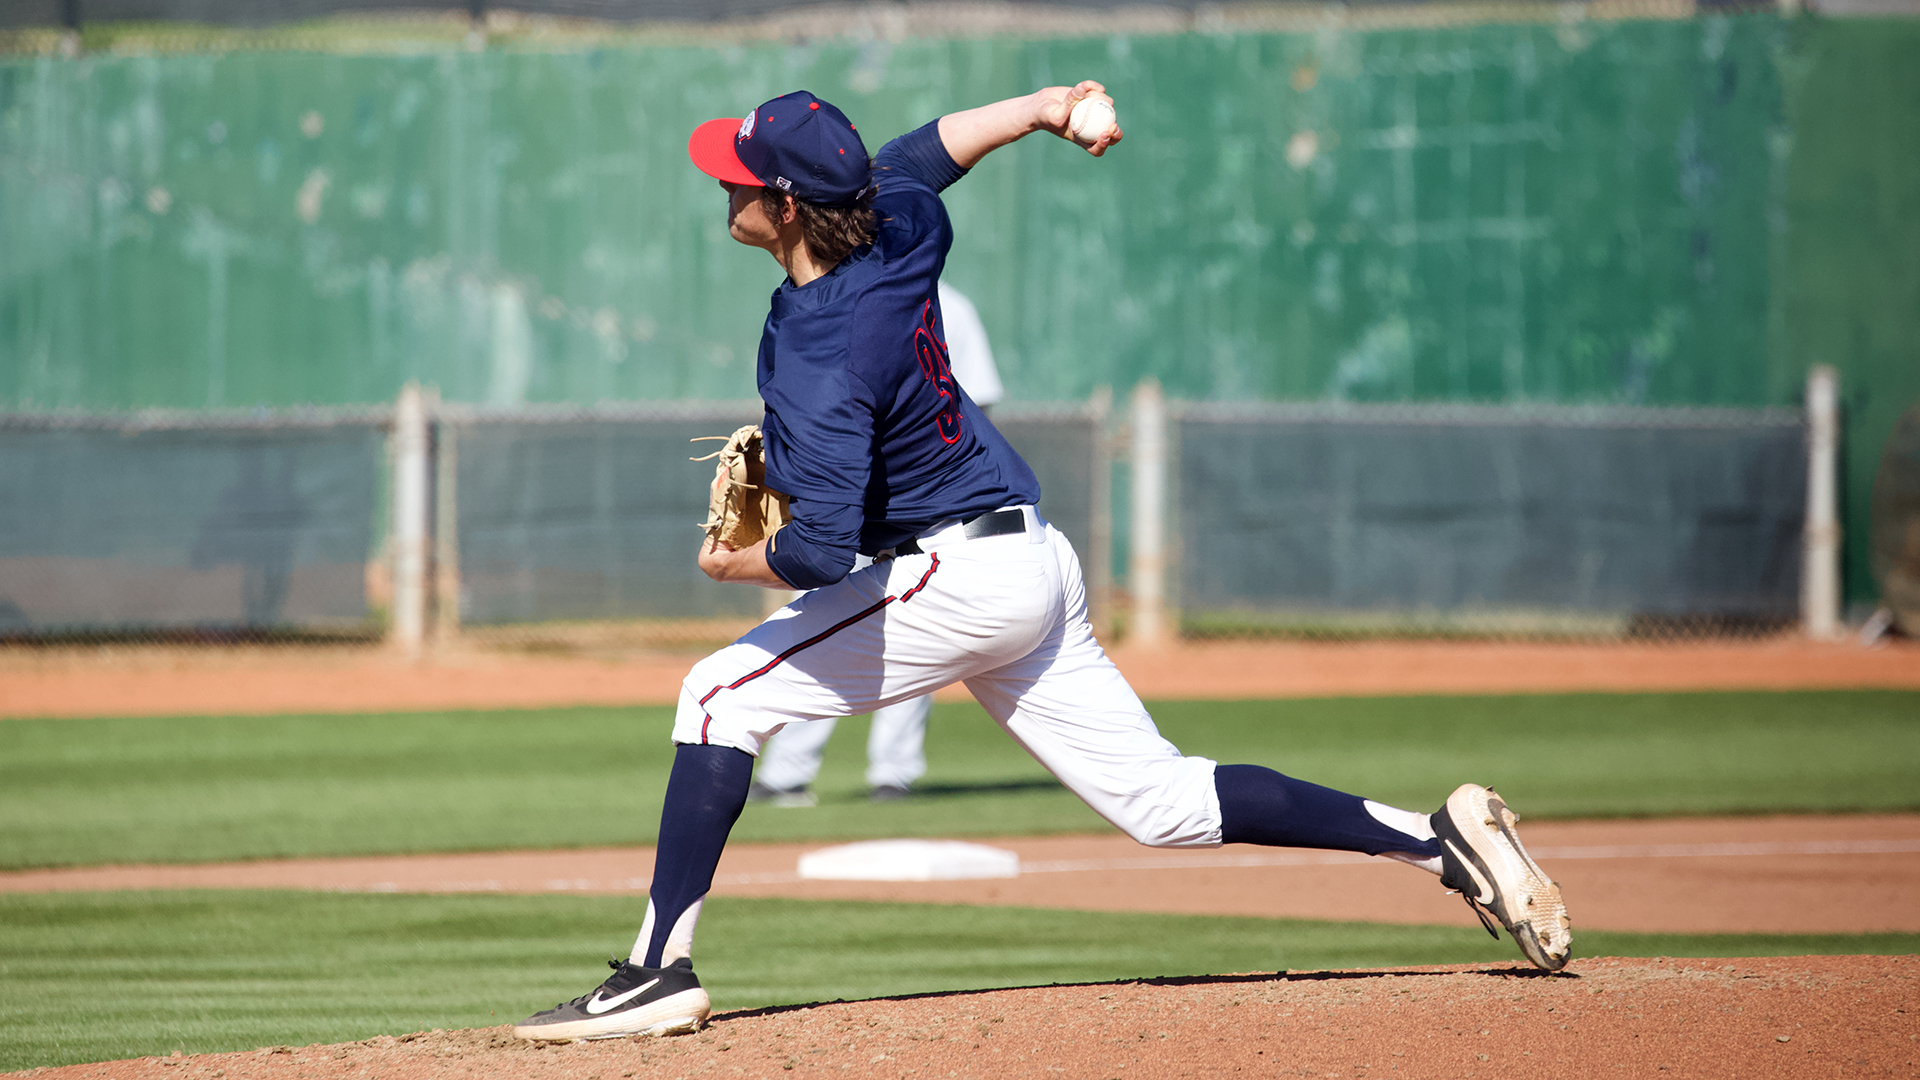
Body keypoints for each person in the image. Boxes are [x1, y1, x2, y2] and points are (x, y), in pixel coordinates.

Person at [512, 82, 1572, 1043]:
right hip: (1030, 559)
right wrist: (1048, 107)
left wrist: (732, 565)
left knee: (716, 695)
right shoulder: (897, 223)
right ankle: (1436, 841)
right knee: (1160, 803)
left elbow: (824, 550)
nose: (725, 188)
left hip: (956, 580)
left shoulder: (820, 348)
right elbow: (925, 152)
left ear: (788, 208)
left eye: (741, 178)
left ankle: (655, 973)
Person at [747, 280, 1003, 806]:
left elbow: (979, 406)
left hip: (921, 512)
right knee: (813, 629)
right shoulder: (830, 297)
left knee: (918, 640)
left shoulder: (951, 306)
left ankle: (893, 773)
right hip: (846, 507)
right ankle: (786, 773)